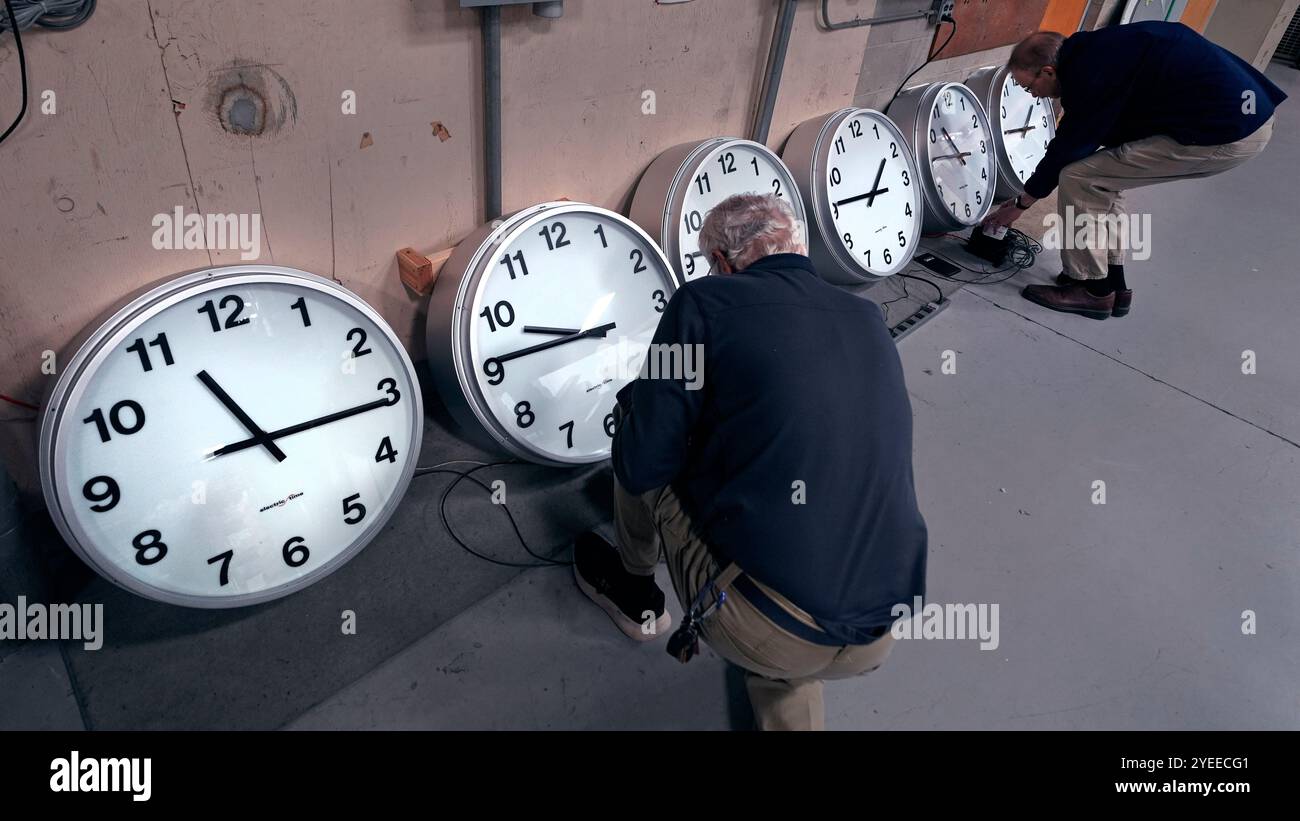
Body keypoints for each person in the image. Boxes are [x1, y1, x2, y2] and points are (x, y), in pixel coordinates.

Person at [572, 192, 928, 730]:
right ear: (796, 245)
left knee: (635, 417)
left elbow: (644, 463)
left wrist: (654, 407)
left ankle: (634, 593)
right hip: (883, 624)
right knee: (792, 636)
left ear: (720, 262)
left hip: (767, 622)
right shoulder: (866, 315)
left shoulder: (700, 304)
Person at [982, 22, 1286, 320]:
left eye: (1028, 86)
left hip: (1226, 132)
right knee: (1102, 179)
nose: (1033, 94)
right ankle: (1113, 284)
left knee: (1079, 177)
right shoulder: (1098, 51)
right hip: (1246, 117)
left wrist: (1023, 203)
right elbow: (1093, 133)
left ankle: (1093, 290)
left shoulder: (1091, 74)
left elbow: (1070, 145)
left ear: (1048, 71)